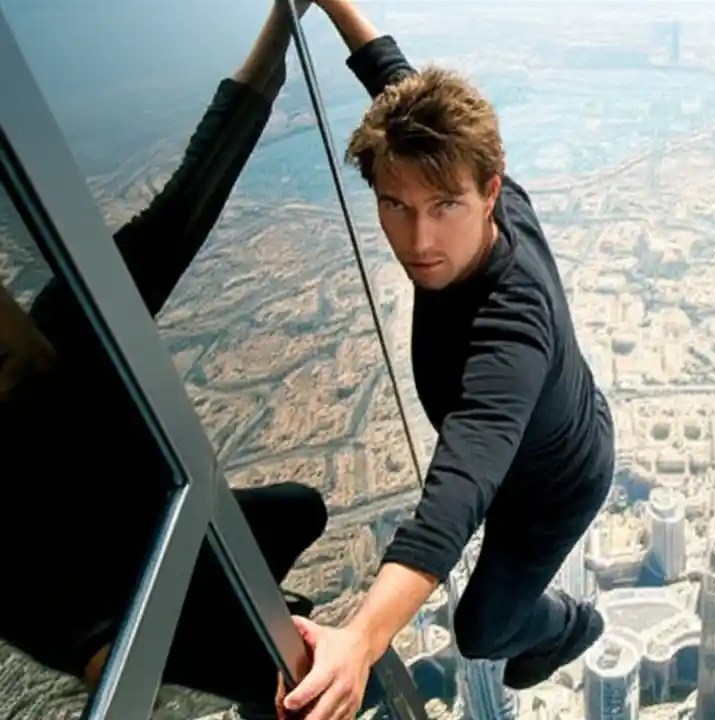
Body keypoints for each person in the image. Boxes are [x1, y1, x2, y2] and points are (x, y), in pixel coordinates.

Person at [279, 1, 614, 716]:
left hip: (554, 486)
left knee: (481, 630)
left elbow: (456, 492)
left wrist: (360, 641)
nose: (419, 240)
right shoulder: (465, 171)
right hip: (541, 433)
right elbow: (393, 78)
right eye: (395, 205)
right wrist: (335, 5)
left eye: (443, 207)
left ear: (491, 192)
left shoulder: (511, 327)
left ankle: (573, 626)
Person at [0, 3, 326, 718]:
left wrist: (285, 17)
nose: (17, 353)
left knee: (302, 511)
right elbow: (42, 616)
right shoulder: (71, 338)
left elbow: (192, 190)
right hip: (138, 597)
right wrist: (101, 656)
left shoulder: (80, 317)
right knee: (273, 670)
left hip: (174, 537)